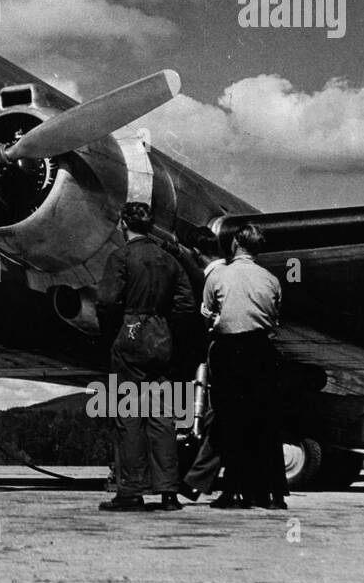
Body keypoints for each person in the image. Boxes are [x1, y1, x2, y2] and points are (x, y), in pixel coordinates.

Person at [96, 202, 195, 512]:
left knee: (128, 417)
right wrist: (164, 326)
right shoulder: (169, 259)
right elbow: (186, 305)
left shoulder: (121, 257)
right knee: (163, 418)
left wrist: (119, 329)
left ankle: (131, 491)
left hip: (131, 334)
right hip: (161, 339)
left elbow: (107, 301)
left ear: (124, 223)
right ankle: (168, 493)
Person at [201, 223, 285, 509]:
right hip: (262, 350)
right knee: (266, 421)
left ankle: (234, 491)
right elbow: (275, 318)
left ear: (236, 244)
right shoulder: (272, 279)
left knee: (231, 421)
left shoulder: (219, 276)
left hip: (230, 350)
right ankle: (273, 494)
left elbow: (208, 312)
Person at [178, 227, 227, 501]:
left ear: (196, 253)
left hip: (226, 351)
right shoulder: (248, 273)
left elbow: (208, 319)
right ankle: (198, 480)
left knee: (221, 417)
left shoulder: (211, 280)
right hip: (256, 352)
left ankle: (197, 480)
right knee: (218, 417)